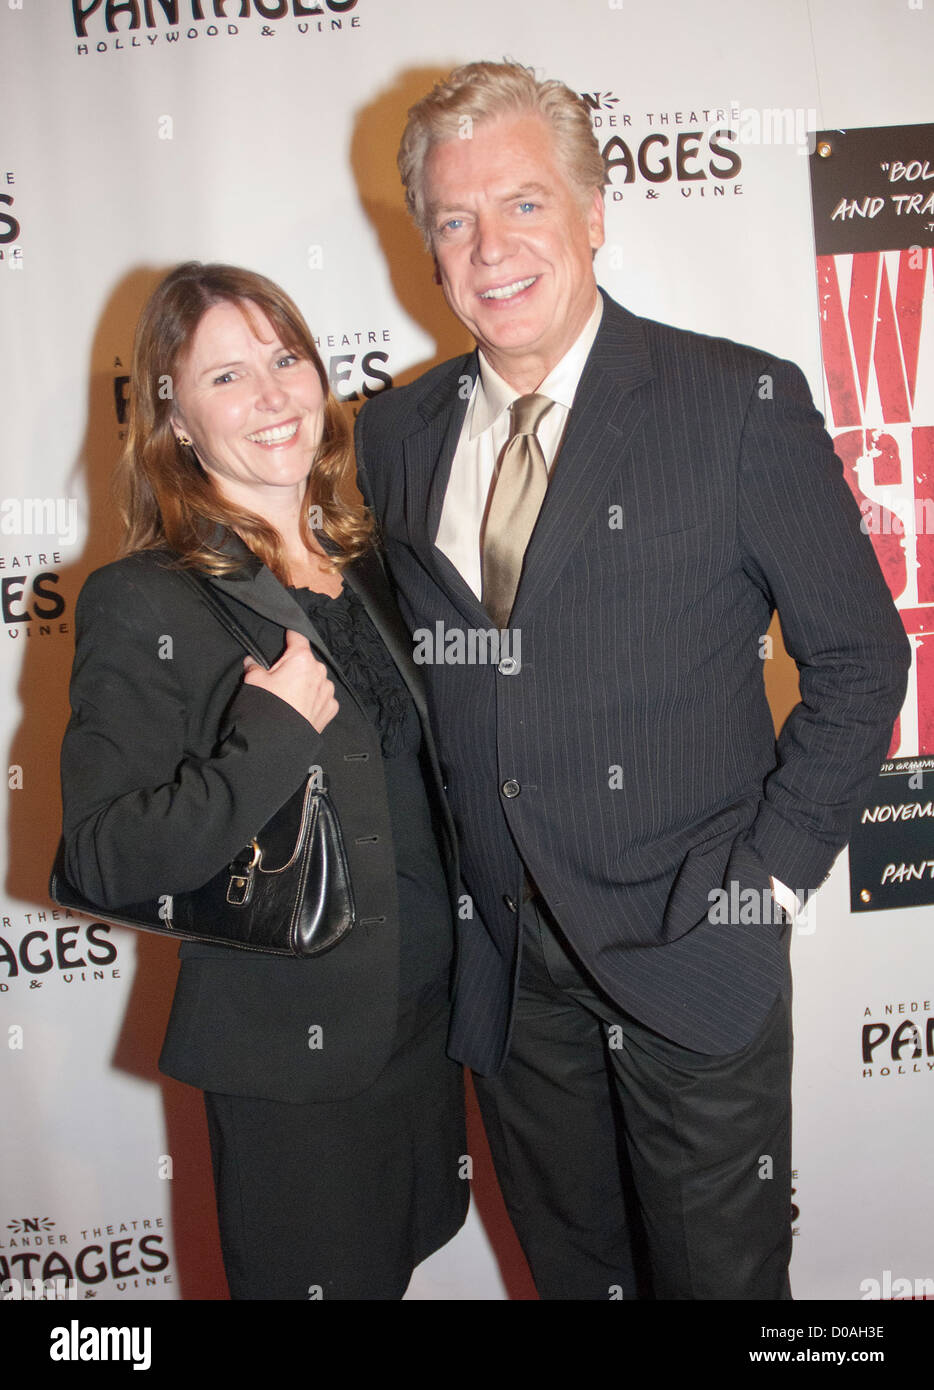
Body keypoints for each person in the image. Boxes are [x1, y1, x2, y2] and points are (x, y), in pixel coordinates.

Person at [354, 62, 911, 1300]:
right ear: (427, 245)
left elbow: (863, 660)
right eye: (453, 218)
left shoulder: (734, 404)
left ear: (594, 212)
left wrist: (758, 893)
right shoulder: (396, 436)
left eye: (524, 204)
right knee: (575, 1277)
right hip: (505, 973)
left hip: (689, 951)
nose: (488, 246)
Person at [59, 262, 467, 1300]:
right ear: (176, 418)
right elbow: (105, 855)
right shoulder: (143, 599)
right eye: (227, 376)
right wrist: (270, 736)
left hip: (427, 1033)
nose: (275, 393)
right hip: (297, 1067)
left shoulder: (369, 559)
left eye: (285, 359)